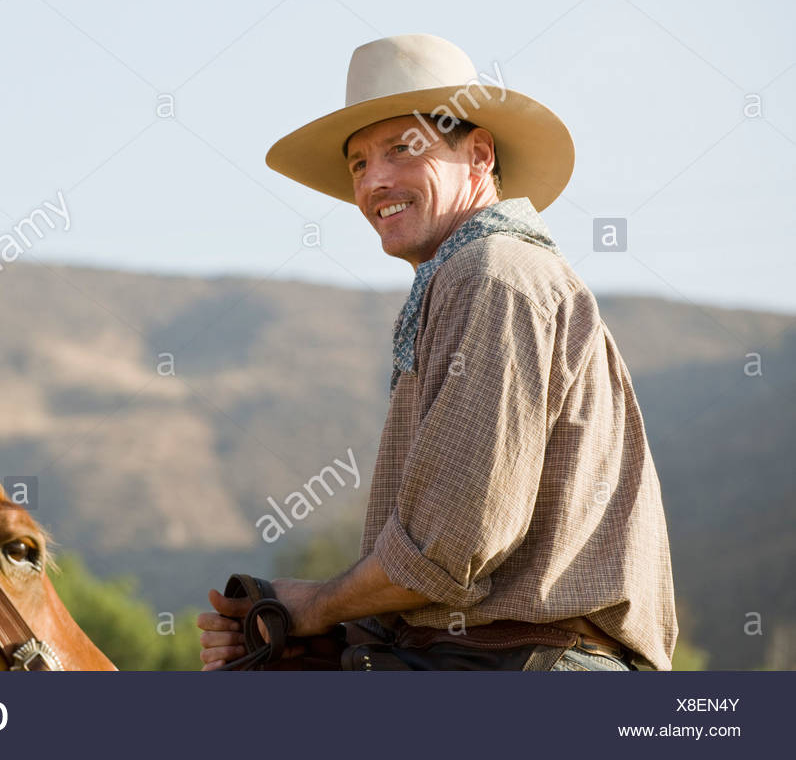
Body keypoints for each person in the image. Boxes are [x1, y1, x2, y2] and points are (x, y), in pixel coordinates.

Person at [198, 33, 677, 671]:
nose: (375, 181)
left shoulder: (491, 273)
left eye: (402, 148)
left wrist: (306, 607)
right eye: (359, 164)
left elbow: (448, 550)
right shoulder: (477, 276)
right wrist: (309, 634)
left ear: (478, 155)